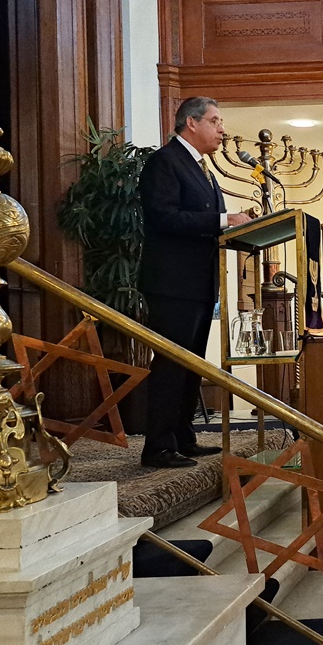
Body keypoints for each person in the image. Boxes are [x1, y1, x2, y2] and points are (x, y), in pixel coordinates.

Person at [138, 96, 252, 469]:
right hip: (172, 283)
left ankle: (182, 437)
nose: (222, 129)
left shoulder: (200, 167)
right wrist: (224, 220)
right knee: (172, 364)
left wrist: (239, 226)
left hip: (198, 284)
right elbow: (164, 218)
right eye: (215, 121)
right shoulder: (165, 162)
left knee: (190, 365)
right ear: (191, 123)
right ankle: (157, 446)